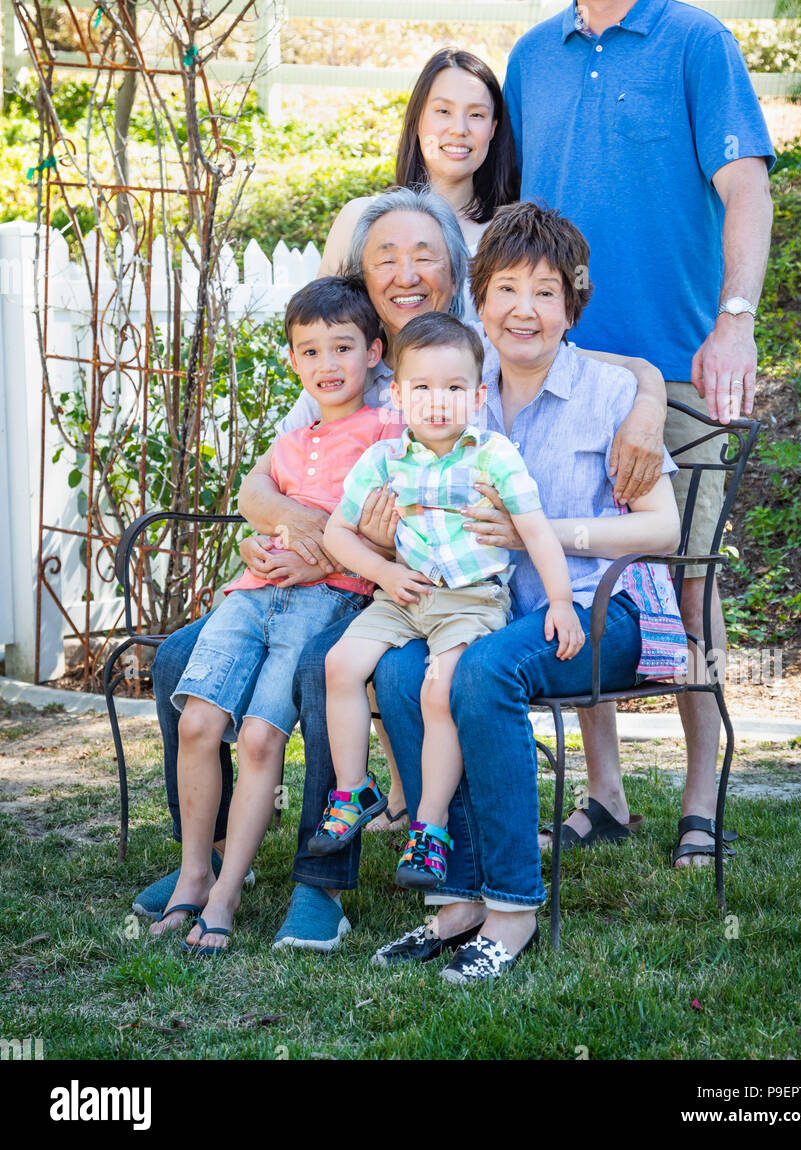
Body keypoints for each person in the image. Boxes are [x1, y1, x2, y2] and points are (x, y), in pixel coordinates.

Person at [133, 188, 667, 945]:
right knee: (179, 662)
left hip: (405, 592)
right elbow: (266, 478)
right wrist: (290, 525)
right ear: (365, 275)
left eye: (425, 256)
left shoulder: (468, 365)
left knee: (331, 667)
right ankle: (217, 857)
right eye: (387, 258)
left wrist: (647, 396)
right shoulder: (352, 358)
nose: (406, 272)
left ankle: (325, 880)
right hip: (340, 580)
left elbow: (602, 366)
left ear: (455, 275)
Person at [293, 202, 683, 979]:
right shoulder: (459, 390)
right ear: (480, 297)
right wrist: (376, 532)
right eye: (506, 290)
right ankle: (457, 898)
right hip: (490, 612)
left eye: (545, 293)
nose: (524, 310)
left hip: (602, 610)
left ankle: (511, 909)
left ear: (573, 305)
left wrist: (549, 534)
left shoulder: (609, 394)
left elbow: (663, 531)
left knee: (485, 672)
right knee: (403, 670)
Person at [503, 0, 775, 866]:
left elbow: (744, 186)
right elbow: (516, 221)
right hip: (564, 375)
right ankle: (607, 792)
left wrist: (735, 315)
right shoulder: (531, 57)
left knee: (688, 580)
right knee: (564, 567)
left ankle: (702, 794)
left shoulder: (697, 44)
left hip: (676, 369)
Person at [148, 277, 390, 951]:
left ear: (375, 352)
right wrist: (254, 540)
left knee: (259, 738)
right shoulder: (291, 439)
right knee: (199, 719)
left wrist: (323, 560)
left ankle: (227, 897)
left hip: (326, 601)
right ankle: (197, 874)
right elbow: (260, 502)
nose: (328, 365)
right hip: (250, 596)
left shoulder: (389, 435)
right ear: (293, 361)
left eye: (343, 348)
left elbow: (393, 527)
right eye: (310, 352)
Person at [309, 312, 580, 892]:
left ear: (478, 396)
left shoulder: (492, 455)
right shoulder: (385, 459)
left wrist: (560, 600)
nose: (439, 403)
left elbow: (534, 529)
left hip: (470, 601)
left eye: (454, 388)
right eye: (424, 389)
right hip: (405, 591)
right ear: (400, 396)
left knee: (438, 690)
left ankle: (429, 828)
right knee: (339, 665)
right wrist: (383, 570)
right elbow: (336, 534)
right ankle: (354, 790)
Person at [318, 47, 518, 313]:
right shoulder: (358, 219)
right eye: (443, 111)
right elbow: (322, 333)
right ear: (418, 118)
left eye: (476, 115)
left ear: (493, 128)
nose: (459, 129)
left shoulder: (510, 236)